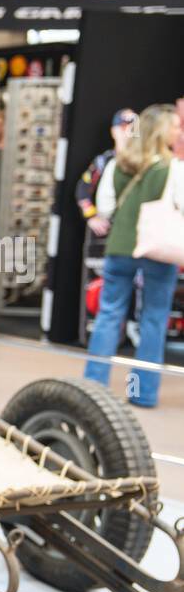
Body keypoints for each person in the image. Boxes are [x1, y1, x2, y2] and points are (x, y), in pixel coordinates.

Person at [85, 104, 184, 408]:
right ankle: (141, 391)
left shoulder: (120, 163)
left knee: (109, 314)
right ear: (162, 131)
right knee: (152, 319)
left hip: (120, 246)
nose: (179, 131)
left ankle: (94, 388)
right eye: (175, 126)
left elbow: (104, 207)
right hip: (157, 249)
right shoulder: (173, 168)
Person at [77, 108, 136, 237]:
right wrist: (91, 217)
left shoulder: (143, 161)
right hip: (105, 228)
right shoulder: (104, 160)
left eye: (132, 128)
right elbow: (83, 189)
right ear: (113, 131)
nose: (127, 132)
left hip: (131, 229)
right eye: (123, 127)